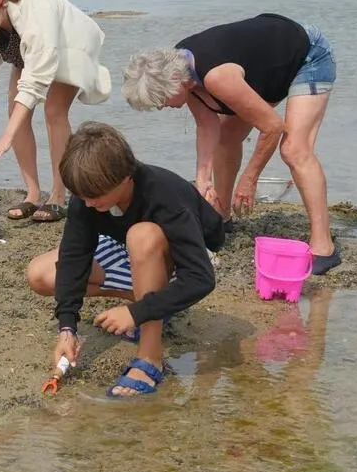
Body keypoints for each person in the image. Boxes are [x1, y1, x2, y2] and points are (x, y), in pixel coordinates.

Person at [122, 12, 341, 274]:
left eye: (162, 101)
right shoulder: (183, 70)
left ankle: (324, 247)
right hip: (266, 68)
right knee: (226, 138)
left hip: (307, 55)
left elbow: (272, 128)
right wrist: (202, 180)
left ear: (177, 82)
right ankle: (221, 218)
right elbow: (207, 126)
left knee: (294, 149)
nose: (162, 108)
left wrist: (249, 179)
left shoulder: (215, 77)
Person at [26, 122, 222, 397]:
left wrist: (136, 313)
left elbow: (201, 278)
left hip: (184, 257)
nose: (88, 203)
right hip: (130, 250)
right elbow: (74, 256)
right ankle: (151, 302)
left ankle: (150, 357)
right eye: (82, 197)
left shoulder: (164, 194)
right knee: (40, 273)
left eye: (94, 197)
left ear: (125, 177)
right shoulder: (87, 195)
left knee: (142, 236)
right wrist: (67, 327)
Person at [0, 0, 112, 222]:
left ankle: (58, 195)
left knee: (54, 111)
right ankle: (32, 193)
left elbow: (35, 81)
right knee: (16, 112)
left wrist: (7, 137)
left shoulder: (35, 13)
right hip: (28, 51)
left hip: (68, 44)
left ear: (2, 5)